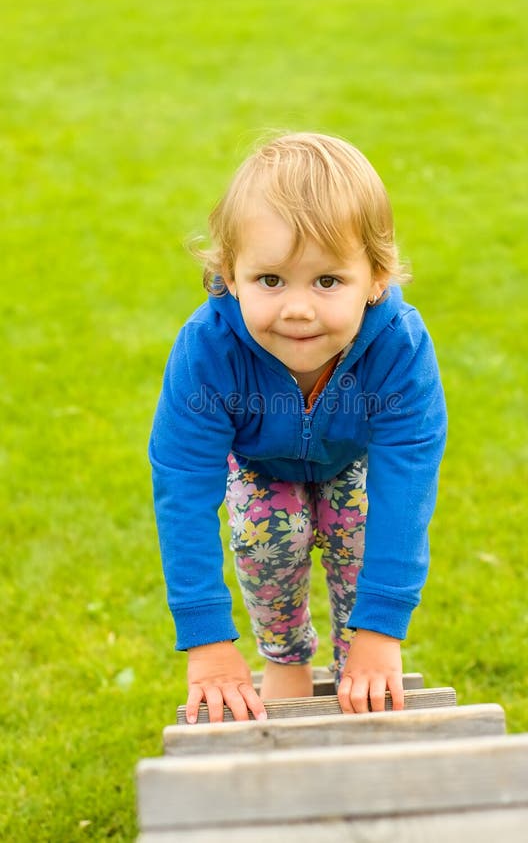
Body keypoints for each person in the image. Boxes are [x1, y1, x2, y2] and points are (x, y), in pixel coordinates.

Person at [149, 132, 447, 724]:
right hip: (262, 466)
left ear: (377, 278)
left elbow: (407, 485)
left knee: (357, 530)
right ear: (230, 276)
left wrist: (380, 630)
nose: (298, 309)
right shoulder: (208, 352)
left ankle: (354, 663)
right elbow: (182, 487)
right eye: (270, 281)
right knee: (267, 539)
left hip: (349, 462)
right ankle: (285, 656)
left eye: (328, 281)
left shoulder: (399, 347)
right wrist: (207, 644)